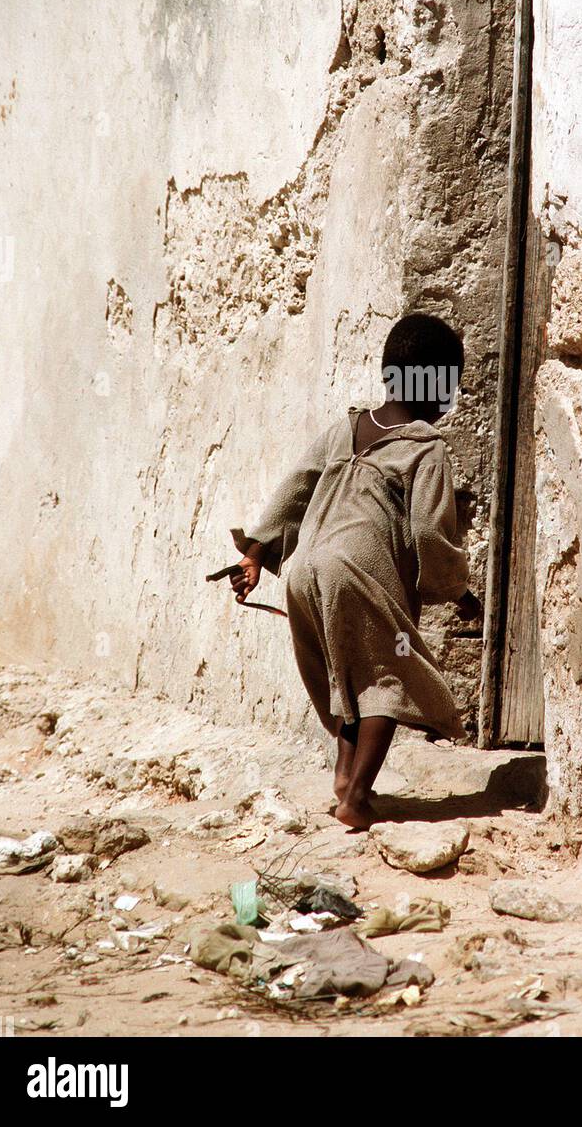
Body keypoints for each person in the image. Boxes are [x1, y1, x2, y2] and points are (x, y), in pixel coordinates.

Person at [230, 312, 481, 830]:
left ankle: (343, 780)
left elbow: (294, 489)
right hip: (359, 571)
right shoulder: (427, 451)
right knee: (386, 679)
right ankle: (359, 796)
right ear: (437, 388)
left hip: (307, 571)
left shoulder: (345, 429)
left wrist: (256, 553)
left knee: (347, 679)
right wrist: (457, 590)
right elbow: (430, 535)